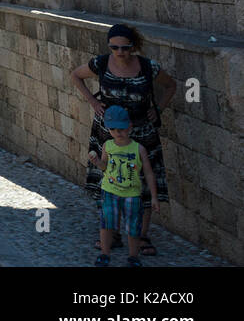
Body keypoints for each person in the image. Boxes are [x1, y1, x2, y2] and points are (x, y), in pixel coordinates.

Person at [69, 23, 175, 257]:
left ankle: (142, 236)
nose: (119, 52)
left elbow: (170, 86)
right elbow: (76, 76)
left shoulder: (148, 67)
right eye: (114, 47)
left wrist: (159, 110)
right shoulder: (101, 63)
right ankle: (113, 233)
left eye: (124, 48)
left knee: (143, 186)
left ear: (133, 47)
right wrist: (94, 103)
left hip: (142, 134)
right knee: (109, 181)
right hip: (107, 134)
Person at [90, 105, 158, 267]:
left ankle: (133, 256)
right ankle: (105, 254)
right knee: (106, 224)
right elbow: (105, 166)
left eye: (121, 129)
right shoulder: (108, 145)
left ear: (129, 126)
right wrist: (97, 162)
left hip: (132, 193)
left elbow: (148, 173)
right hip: (109, 191)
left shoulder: (138, 149)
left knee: (133, 226)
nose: (117, 133)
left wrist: (154, 197)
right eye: (113, 129)